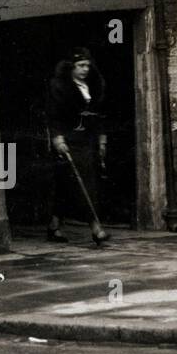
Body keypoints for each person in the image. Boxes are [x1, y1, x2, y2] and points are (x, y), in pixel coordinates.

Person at [45, 48, 110, 246]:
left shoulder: (93, 86)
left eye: (87, 65)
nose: (85, 69)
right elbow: (53, 115)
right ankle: (95, 228)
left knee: (68, 185)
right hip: (69, 140)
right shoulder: (59, 87)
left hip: (88, 139)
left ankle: (54, 225)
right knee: (83, 181)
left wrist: (102, 139)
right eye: (81, 66)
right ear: (71, 67)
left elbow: (100, 114)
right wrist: (57, 138)